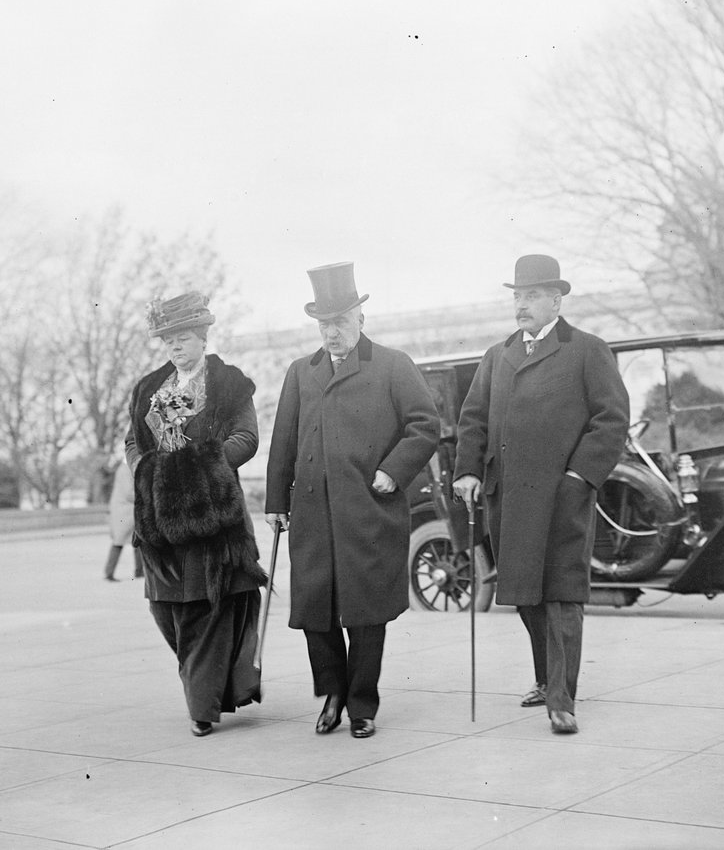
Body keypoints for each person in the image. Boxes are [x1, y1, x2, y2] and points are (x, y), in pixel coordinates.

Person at [453, 255, 629, 735]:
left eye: (531, 296)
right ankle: (542, 678)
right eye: (517, 296)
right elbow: (472, 418)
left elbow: (611, 420)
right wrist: (467, 471)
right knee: (526, 594)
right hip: (506, 496)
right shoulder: (497, 355)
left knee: (561, 594)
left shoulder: (587, 350)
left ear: (556, 299)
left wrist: (579, 478)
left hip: (561, 496)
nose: (521, 305)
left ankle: (561, 697)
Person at [266, 262, 439, 739]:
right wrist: (276, 501)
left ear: (361, 318)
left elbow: (425, 426)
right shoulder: (301, 372)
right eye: (324, 324)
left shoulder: (392, 365)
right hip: (312, 515)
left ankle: (362, 704)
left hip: (369, 510)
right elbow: (283, 442)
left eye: (340, 321)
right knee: (314, 610)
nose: (332, 332)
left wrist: (392, 470)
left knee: (365, 612)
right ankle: (333, 693)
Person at [125, 291, 267, 737]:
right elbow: (133, 443)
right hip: (160, 519)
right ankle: (206, 688)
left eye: (182, 338)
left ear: (202, 338)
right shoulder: (149, 389)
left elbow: (246, 437)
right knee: (165, 608)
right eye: (168, 340)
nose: (174, 347)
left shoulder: (229, 384)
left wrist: (202, 468)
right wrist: (145, 468)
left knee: (210, 606)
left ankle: (201, 707)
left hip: (214, 519)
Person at [103, 461, 141, 581]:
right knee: (120, 542)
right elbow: (128, 493)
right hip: (124, 512)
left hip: (126, 511)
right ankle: (109, 572)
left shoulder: (125, 468)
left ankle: (140, 570)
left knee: (137, 542)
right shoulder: (125, 469)